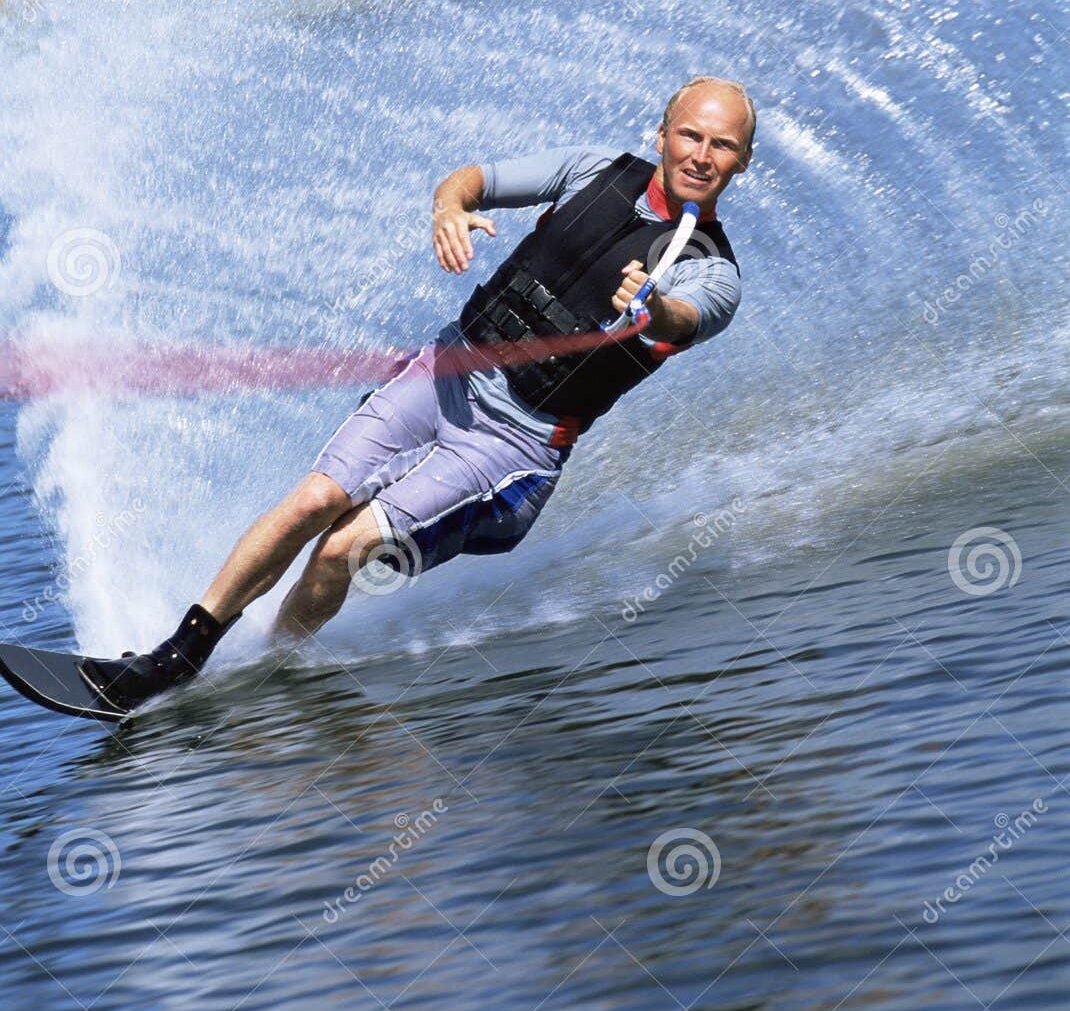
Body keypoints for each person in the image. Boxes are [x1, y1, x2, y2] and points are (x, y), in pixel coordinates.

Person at [78, 75, 754, 713]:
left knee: (343, 548)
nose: (701, 155)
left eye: (722, 145)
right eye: (690, 135)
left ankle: (268, 677)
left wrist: (652, 306)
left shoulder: (715, 274)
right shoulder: (591, 170)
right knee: (315, 499)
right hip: (447, 370)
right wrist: (448, 210)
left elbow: (683, 319)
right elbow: (469, 181)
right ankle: (177, 659)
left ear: (742, 162)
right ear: (664, 132)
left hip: (512, 446)